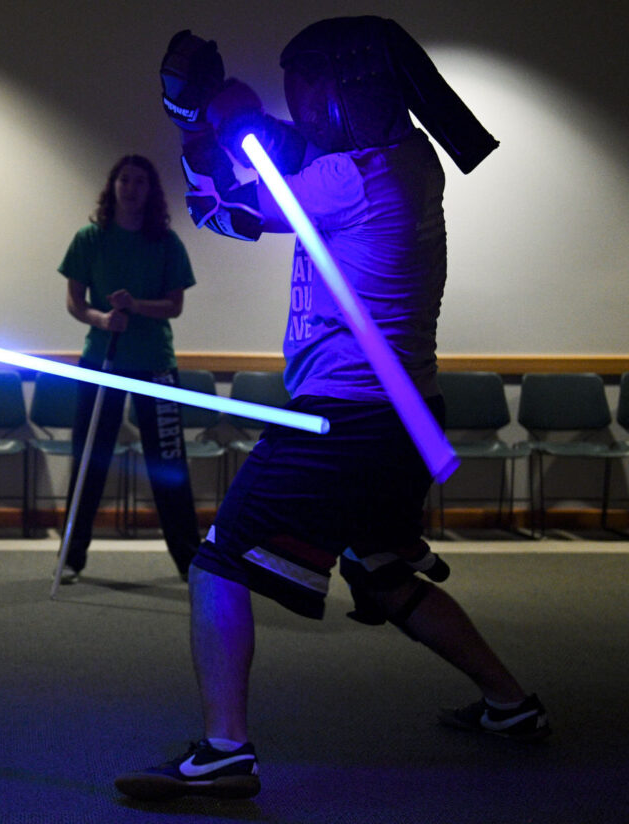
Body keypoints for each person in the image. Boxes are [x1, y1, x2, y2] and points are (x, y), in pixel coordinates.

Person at [115, 18, 549, 802]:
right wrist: (230, 113)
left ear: (347, 90)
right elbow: (292, 152)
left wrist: (193, 123)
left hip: (345, 420)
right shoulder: (410, 161)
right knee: (382, 572)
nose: (304, 106)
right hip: (407, 418)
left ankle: (224, 753)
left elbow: (227, 211)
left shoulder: (347, 180)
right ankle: (510, 705)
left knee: (219, 557)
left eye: (312, 89)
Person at [58, 154, 201, 582]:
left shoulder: (167, 243)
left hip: (156, 364)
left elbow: (174, 306)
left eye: (140, 180)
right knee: (90, 458)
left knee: (168, 464)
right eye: (124, 179)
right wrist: (102, 319)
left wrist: (134, 306)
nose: (131, 187)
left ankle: (189, 562)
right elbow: (74, 302)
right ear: (113, 186)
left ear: (150, 190)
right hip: (102, 362)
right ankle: (71, 556)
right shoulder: (90, 238)